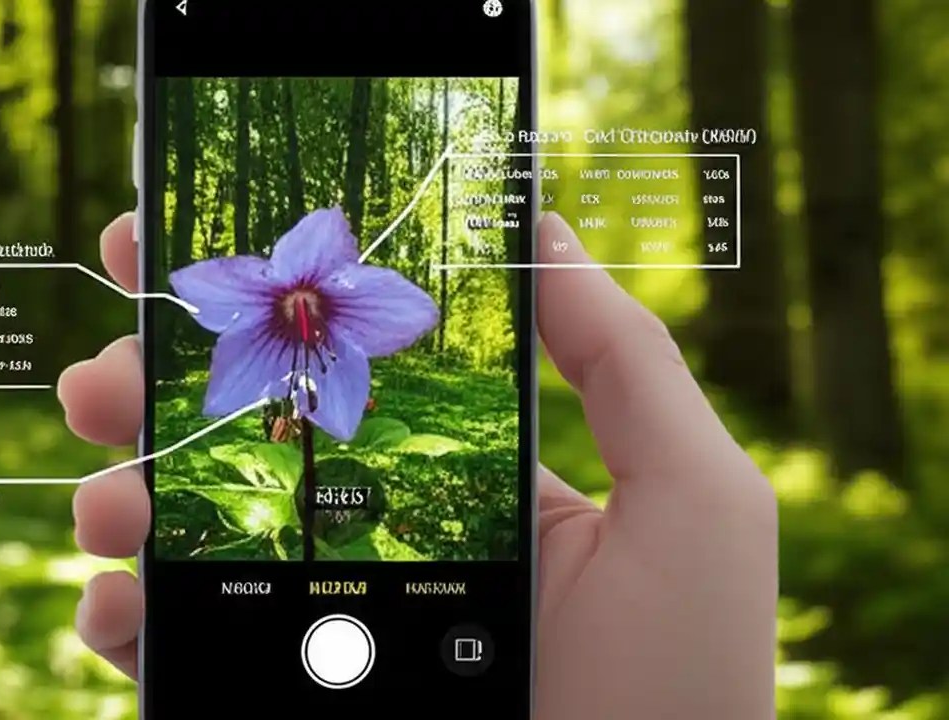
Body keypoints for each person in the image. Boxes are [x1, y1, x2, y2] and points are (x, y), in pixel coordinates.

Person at [58, 211, 779, 719]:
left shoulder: (341, 323)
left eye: (311, 305)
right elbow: (225, 322)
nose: (306, 317)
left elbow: (379, 336)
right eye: (298, 307)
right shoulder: (265, 314)